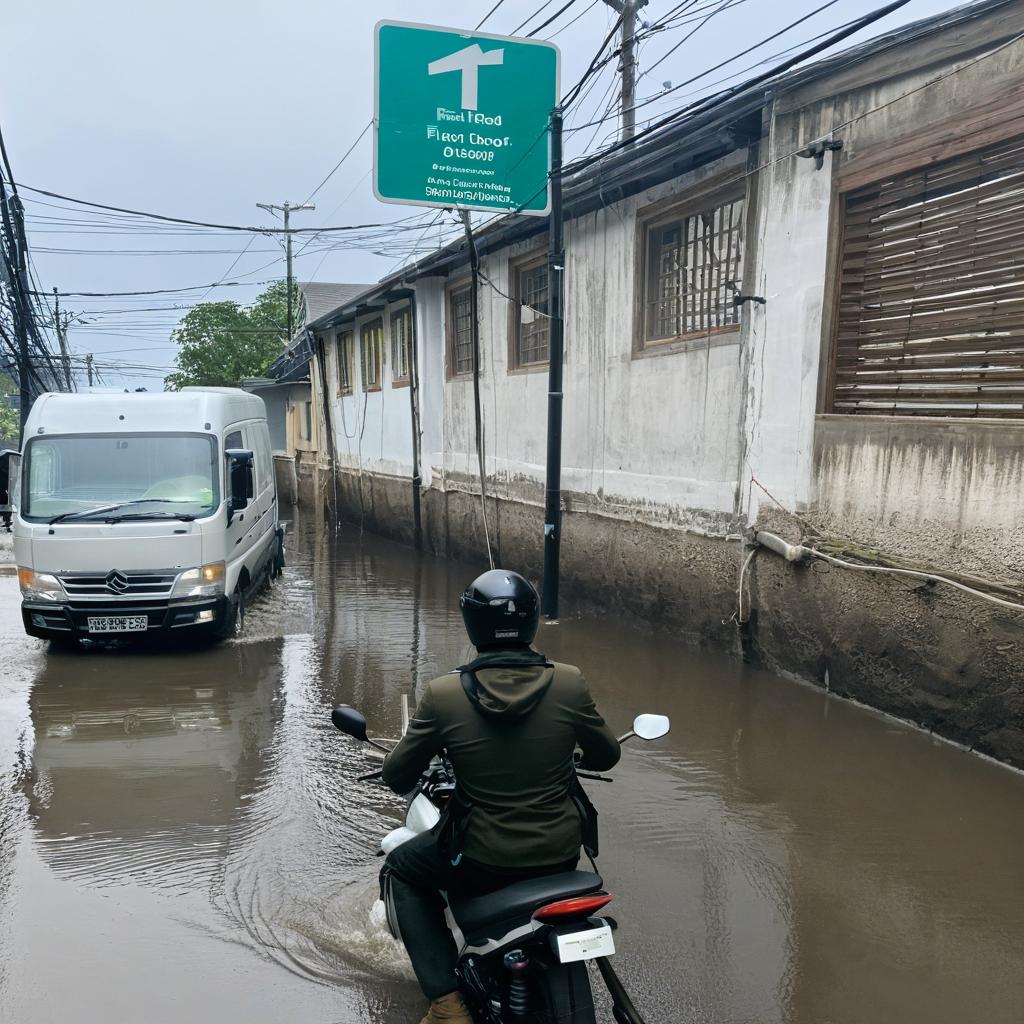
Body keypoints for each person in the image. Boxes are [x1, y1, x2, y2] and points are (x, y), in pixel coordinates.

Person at [381, 569, 621, 1024]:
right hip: (561, 853)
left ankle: (447, 1004)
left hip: (482, 859)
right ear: (532, 622)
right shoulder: (569, 683)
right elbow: (606, 756)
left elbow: (397, 776)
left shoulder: (444, 694)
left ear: (472, 625)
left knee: (401, 870)